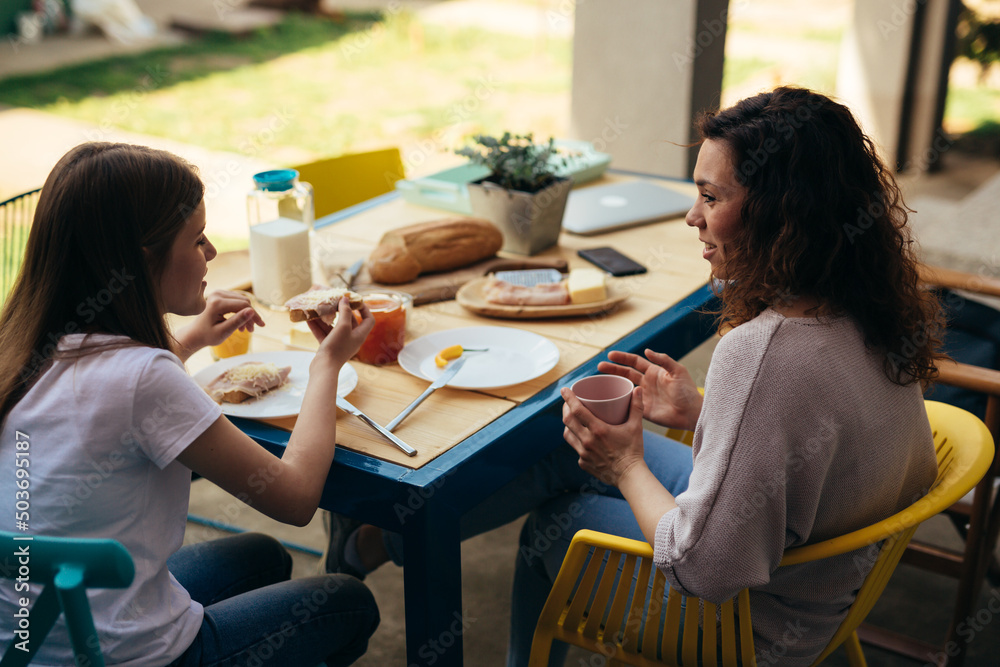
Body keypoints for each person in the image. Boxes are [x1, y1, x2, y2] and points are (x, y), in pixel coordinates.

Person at [320, 86, 941, 666]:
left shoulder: (763, 351)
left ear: (784, 213)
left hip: (758, 622)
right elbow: (827, 431)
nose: (692, 217)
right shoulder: (868, 300)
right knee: (563, 452)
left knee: (559, 521)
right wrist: (708, 415)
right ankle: (377, 543)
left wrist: (627, 466)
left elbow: (706, 570)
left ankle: (414, 567)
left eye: (712, 197)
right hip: (827, 573)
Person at [0, 142, 380, 666]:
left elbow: (105, 399)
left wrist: (190, 339)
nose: (212, 253)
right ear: (141, 258)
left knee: (260, 555)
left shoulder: (18, 344)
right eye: (197, 239)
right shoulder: (146, 378)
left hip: (30, 637)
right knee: (347, 604)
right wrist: (327, 366)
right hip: (117, 654)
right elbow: (294, 499)